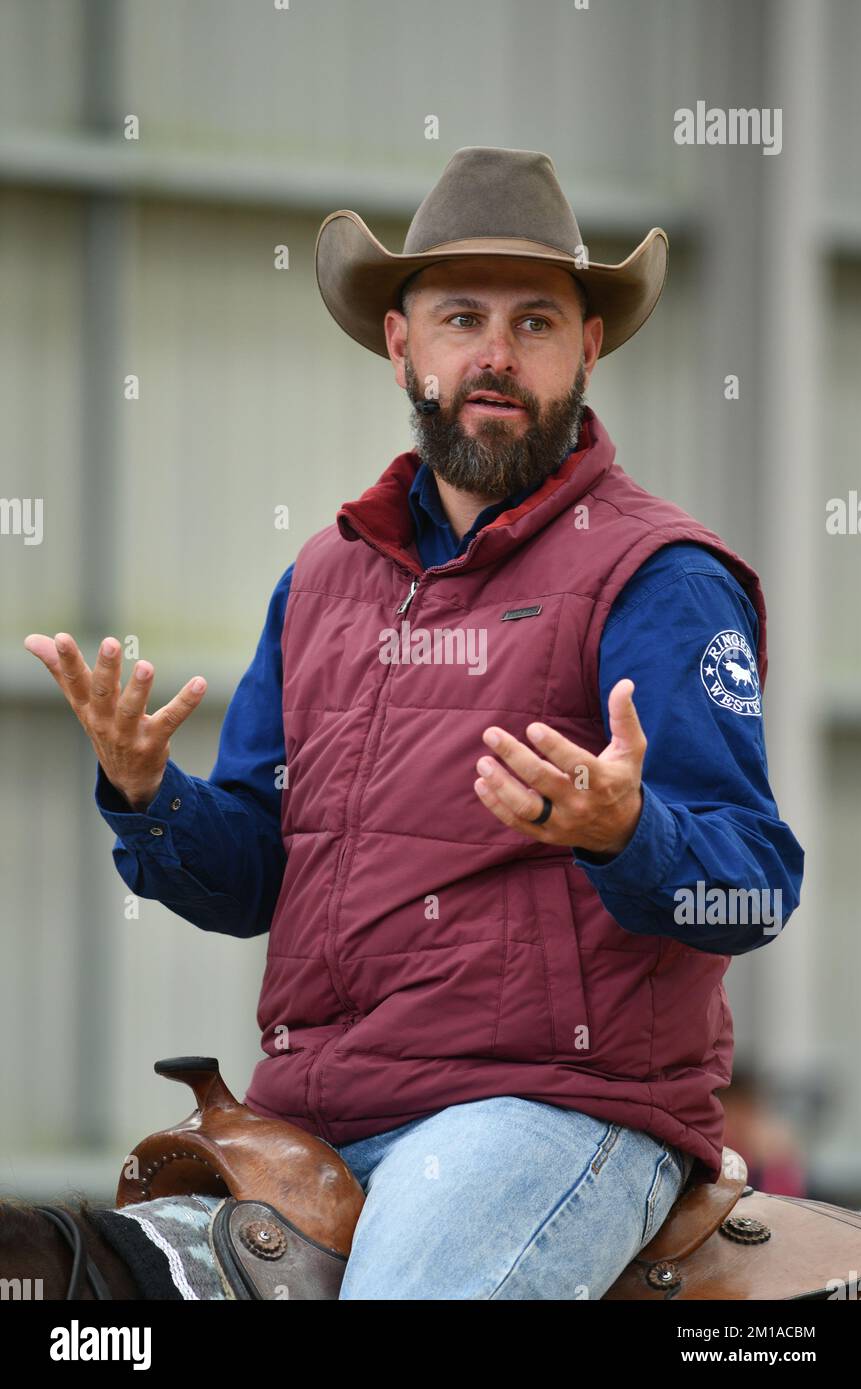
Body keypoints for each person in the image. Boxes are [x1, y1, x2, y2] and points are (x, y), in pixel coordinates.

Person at [24, 146, 804, 1300]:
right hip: (305, 1117)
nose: (494, 353)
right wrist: (151, 798)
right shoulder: (322, 578)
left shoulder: (660, 577)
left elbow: (753, 886)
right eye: (460, 317)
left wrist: (622, 828)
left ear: (587, 349)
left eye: (535, 320)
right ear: (402, 344)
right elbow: (250, 881)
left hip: (545, 1114)